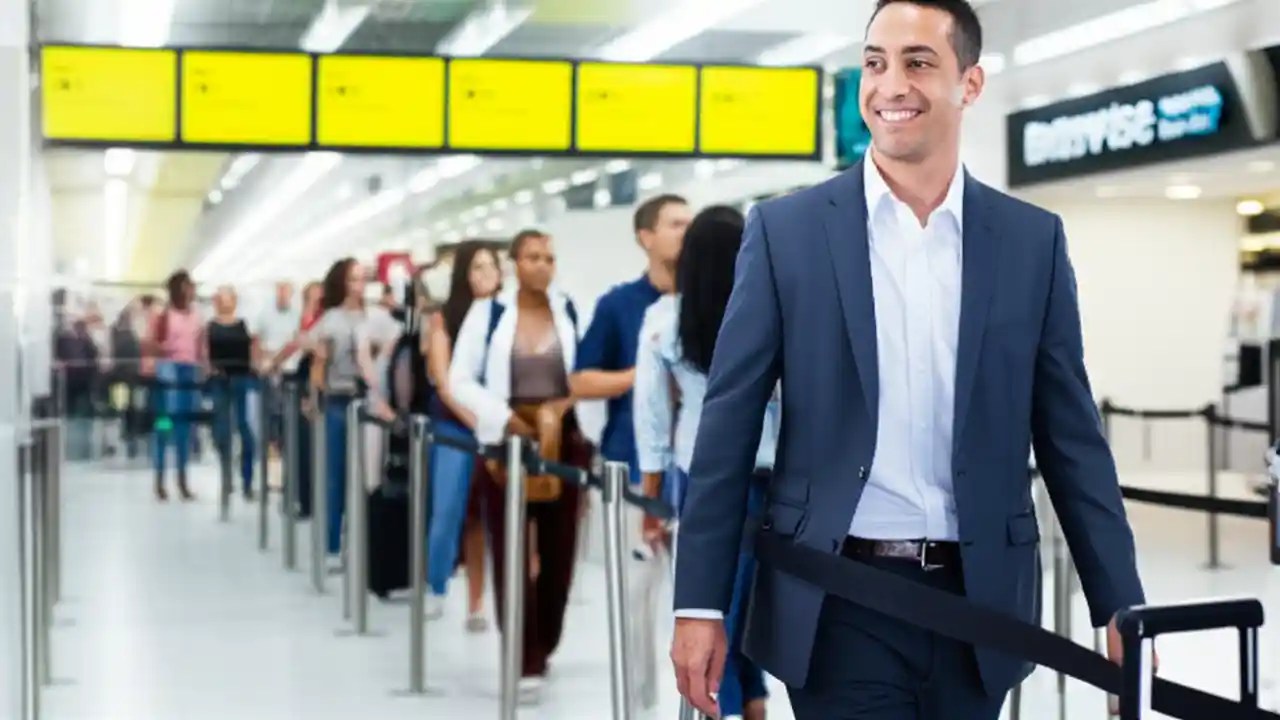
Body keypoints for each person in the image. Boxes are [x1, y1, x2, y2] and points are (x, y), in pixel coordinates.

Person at [669, 2, 1148, 719]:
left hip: (981, 606)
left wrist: (1120, 602)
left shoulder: (1030, 243)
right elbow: (728, 425)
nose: (891, 84)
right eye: (875, 62)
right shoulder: (787, 233)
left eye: (919, 62)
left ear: (971, 84)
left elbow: (1071, 438)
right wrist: (699, 602)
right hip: (836, 598)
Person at [634, 206, 779, 720]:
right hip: (777, 477)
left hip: (704, 479)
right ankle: (754, 701)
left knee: (715, 609)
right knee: (749, 608)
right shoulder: (772, 313)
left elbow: (650, 415)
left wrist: (650, 494)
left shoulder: (666, 321)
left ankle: (735, 707)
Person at [448, 229, 588, 702]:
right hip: (505, 441)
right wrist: (504, 416)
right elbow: (459, 379)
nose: (542, 265)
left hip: (563, 440)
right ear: (514, 263)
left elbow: (585, 373)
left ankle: (545, 642)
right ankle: (522, 654)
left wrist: (561, 409)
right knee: (509, 549)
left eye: (549, 257)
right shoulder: (488, 313)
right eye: (532, 257)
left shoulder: (568, 308)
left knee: (560, 550)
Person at [570, 194, 691, 484]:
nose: (688, 233)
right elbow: (580, 382)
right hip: (631, 461)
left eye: (691, 224)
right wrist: (648, 374)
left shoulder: (713, 300)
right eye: (676, 224)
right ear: (646, 237)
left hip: (694, 462)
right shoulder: (618, 304)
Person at [425, 241, 502, 626]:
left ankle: (477, 603)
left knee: (484, 518)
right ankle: (436, 584)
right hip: (456, 426)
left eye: (491, 265)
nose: (486, 273)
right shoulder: (444, 319)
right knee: (448, 510)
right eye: (477, 267)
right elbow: (444, 383)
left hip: (497, 427)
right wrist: (478, 423)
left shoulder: (507, 315)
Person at [309, 259, 382, 561]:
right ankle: (331, 544)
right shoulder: (332, 320)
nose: (359, 285)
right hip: (339, 400)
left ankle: (364, 540)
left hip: (371, 402)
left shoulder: (376, 317)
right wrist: (316, 400)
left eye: (362, 279)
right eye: (353, 279)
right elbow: (319, 365)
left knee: (368, 475)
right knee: (336, 475)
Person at [146, 270, 204, 501]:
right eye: (188, 286)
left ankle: (182, 479)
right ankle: (159, 480)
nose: (192, 290)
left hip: (189, 372)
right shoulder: (163, 316)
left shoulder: (197, 315)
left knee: (185, 430)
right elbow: (152, 345)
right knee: (164, 426)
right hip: (168, 371)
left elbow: (200, 345)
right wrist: (168, 349)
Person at [206, 285, 258, 500]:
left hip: (242, 379)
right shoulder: (210, 326)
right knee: (222, 431)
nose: (226, 302)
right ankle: (226, 478)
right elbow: (205, 354)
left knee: (245, 429)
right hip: (219, 381)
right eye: (222, 298)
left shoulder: (244, 324)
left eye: (230, 298)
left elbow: (253, 350)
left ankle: (247, 480)